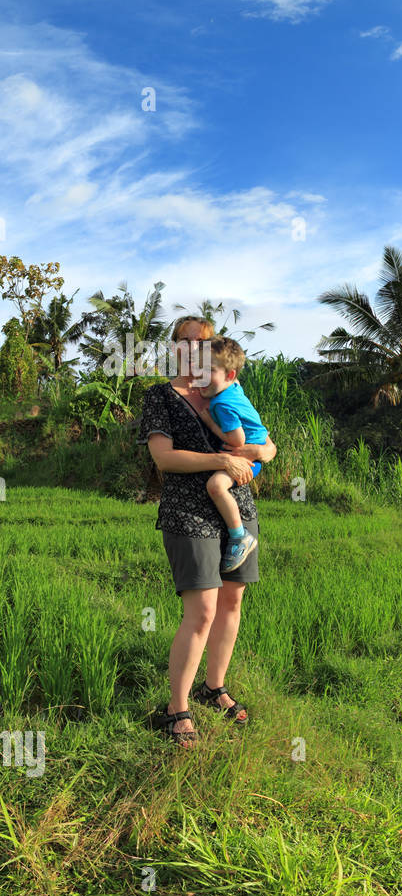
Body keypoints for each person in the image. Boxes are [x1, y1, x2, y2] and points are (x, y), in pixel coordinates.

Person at [140, 317, 275, 747]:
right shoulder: (161, 396)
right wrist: (220, 461)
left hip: (238, 505)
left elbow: (263, 443)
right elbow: (165, 459)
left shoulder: (225, 387)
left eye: (204, 343)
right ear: (175, 347)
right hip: (188, 511)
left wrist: (263, 450)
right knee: (200, 611)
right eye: (187, 342)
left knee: (232, 601)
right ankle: (176, 708)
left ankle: (213, 687)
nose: (196, 350)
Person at [197, 337, 268, 573]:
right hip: (256, 449)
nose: (202, 376)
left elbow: (236, 440)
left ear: (229, 375)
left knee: (216, 486)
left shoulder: (221, 405)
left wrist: (209, 422)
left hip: (247, 458)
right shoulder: (235, 388)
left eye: (210, 371)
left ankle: (239, 536)